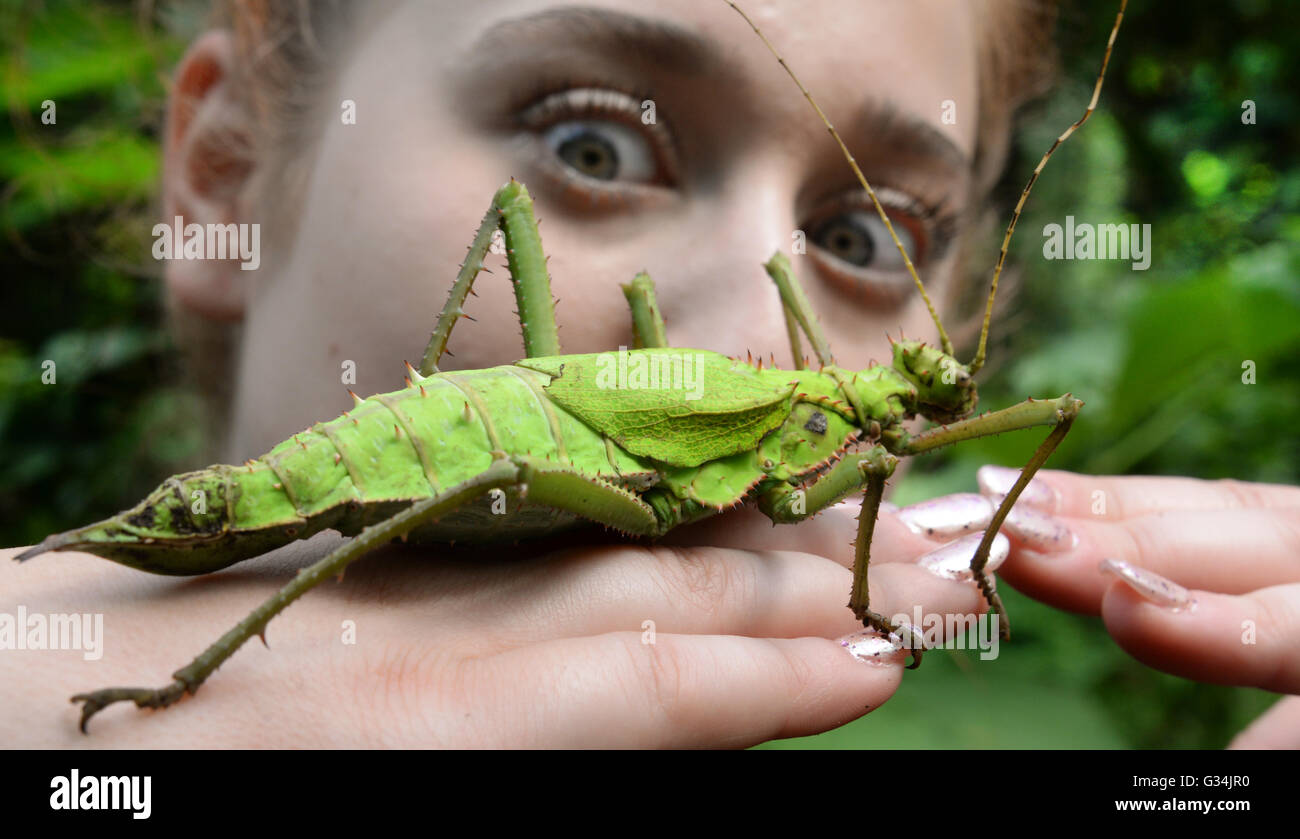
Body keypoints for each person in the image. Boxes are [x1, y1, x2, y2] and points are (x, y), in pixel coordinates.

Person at [3, 0, 1296, 747]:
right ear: (225, 167)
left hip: (541, 437)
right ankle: (185, 671)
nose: (746, 312)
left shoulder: (810, 428)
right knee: (507, 447)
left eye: (868, 237)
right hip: (477, 446)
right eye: (593, 147)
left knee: (517, 442)